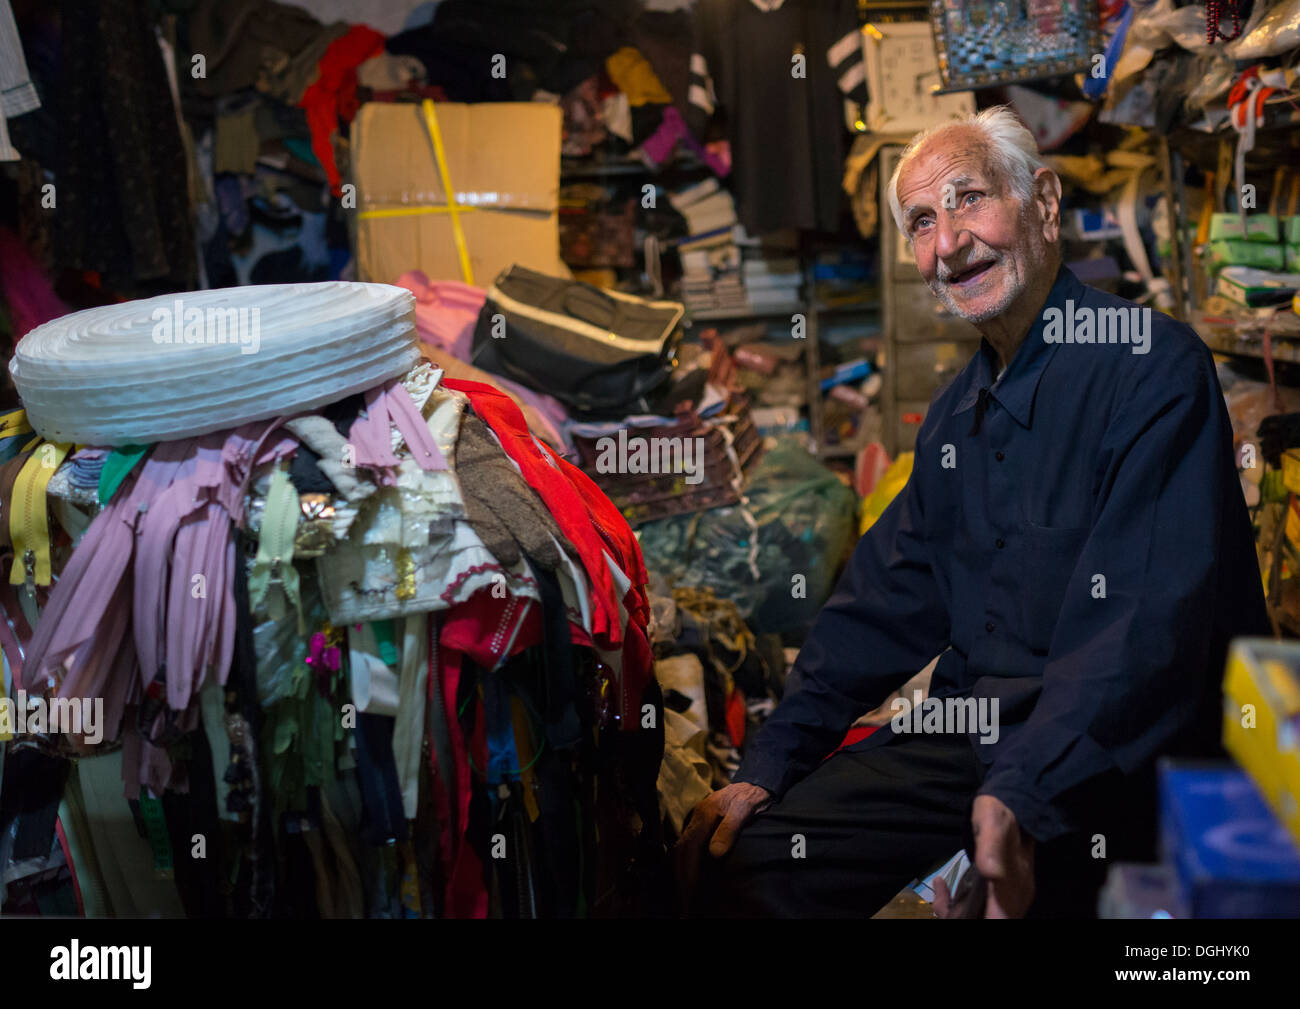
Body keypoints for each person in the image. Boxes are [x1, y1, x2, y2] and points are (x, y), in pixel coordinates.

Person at [679, 106, 1270, 918]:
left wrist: (1023, 792)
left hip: (1123, 745)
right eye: (922, 221)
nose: (949, 242)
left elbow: (1140, 634)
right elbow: (882, 601)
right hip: (981, 730)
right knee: (751, 862)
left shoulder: (1152, 369)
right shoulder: (960, 410)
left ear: (1046, 204)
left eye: (968, 199)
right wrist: (769, 761)